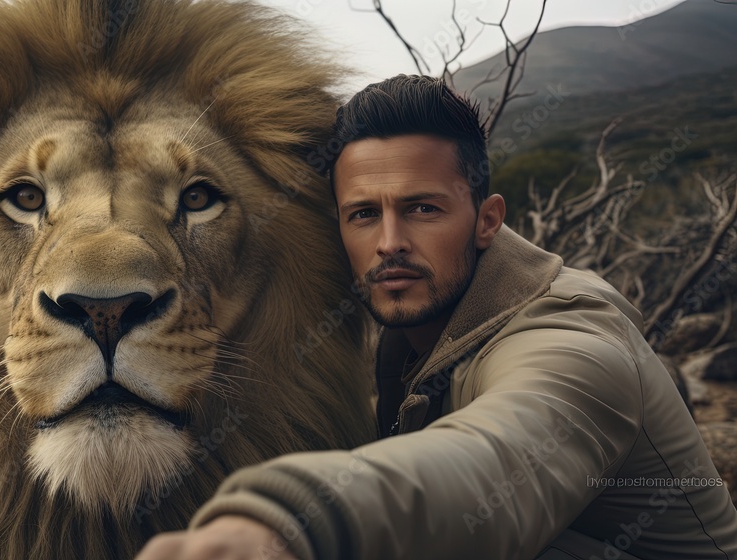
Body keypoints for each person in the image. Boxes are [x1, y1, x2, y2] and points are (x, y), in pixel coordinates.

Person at [136, 75, 737, 559]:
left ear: (487, 220)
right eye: (363, 214)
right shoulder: (416, 332)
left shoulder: (573, 338)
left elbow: (497, 460)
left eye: (422, 208)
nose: (389, 243)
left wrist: (292, 522)